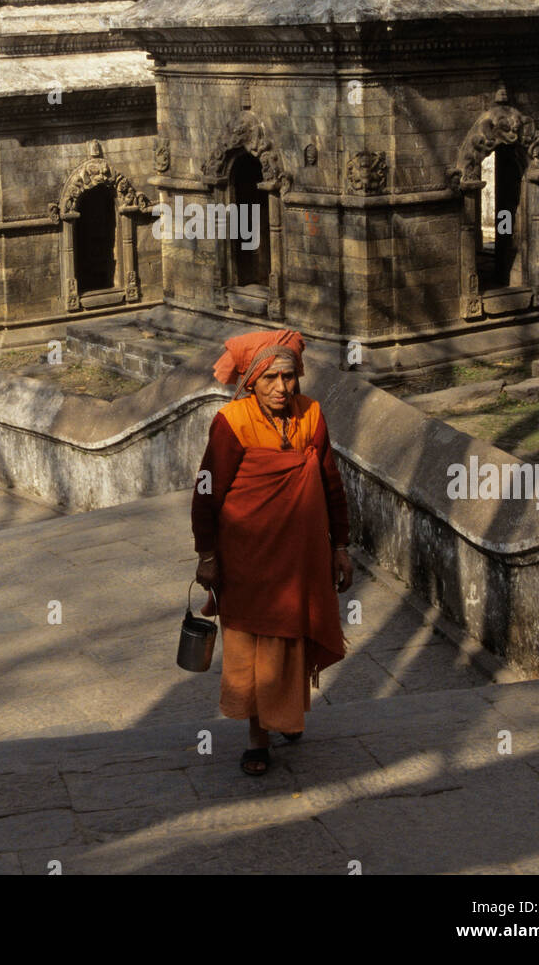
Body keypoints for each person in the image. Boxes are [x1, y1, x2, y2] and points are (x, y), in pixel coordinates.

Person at [191, 329, 353, 775]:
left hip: (300, 558)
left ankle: (287, 715)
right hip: (248, 559)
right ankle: (257, 736)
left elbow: (331, 484)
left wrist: (340, 546)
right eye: (271, 379)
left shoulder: (311, 416)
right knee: (254, 644)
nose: (283, 388)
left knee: (292, 635)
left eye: (289, 377)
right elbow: (207, 492)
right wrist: (207, 555)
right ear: (252, 381)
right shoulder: (233, 422)